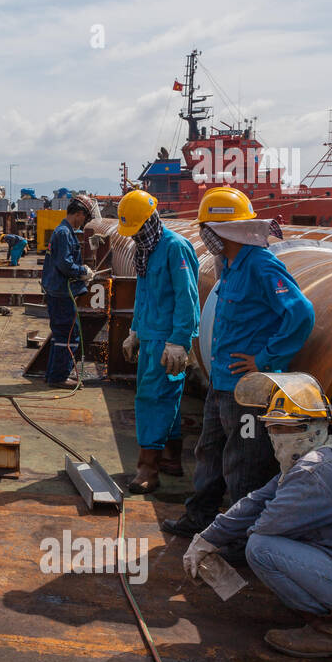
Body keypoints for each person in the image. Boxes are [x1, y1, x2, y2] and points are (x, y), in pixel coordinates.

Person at [183, 372, 332, 658]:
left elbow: (265, 525)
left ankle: (330, 632)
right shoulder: (322, 461)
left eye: (283, 429)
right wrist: (207, 538)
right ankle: (331, 610)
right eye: (272, 428)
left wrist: (217, 544)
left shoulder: (312, 473)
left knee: (261, 547)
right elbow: (257, 499)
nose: (275, 437)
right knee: (272, 539)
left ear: (310, 429)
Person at [162, 187, 315, 541]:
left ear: (224, 230)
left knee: (243, 462)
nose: (204, 236)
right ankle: (200, 517)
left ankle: (239, 537)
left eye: (208, 229)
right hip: (222, 384)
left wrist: (264, 359)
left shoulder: (261, 265)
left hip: (246, 392)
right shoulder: (229, 266)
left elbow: (300, 313)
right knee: (210, 452)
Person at [116, 189, 199, 493]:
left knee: (151, 400)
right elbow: (144, 294)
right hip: (151, 336)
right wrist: (135, 331)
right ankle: (171, 459)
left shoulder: (175, 247)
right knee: (168, 400)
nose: (135, 235)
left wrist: (179, 340)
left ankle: (147, 468)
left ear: (149, 221)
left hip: (168, 341)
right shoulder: (146, 249)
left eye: (137, 228)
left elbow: (187, 296)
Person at [39, 197, 100, 388]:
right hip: (61, 293)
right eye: (84, 218)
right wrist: (83, 271)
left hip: (58, 291)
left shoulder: (64, 231)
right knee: (68, 336)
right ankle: (58, 377)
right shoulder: (64, 233)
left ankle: (54, 374)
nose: (83, 222)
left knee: (61, 335)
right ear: (79, 214)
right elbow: (65, 264)